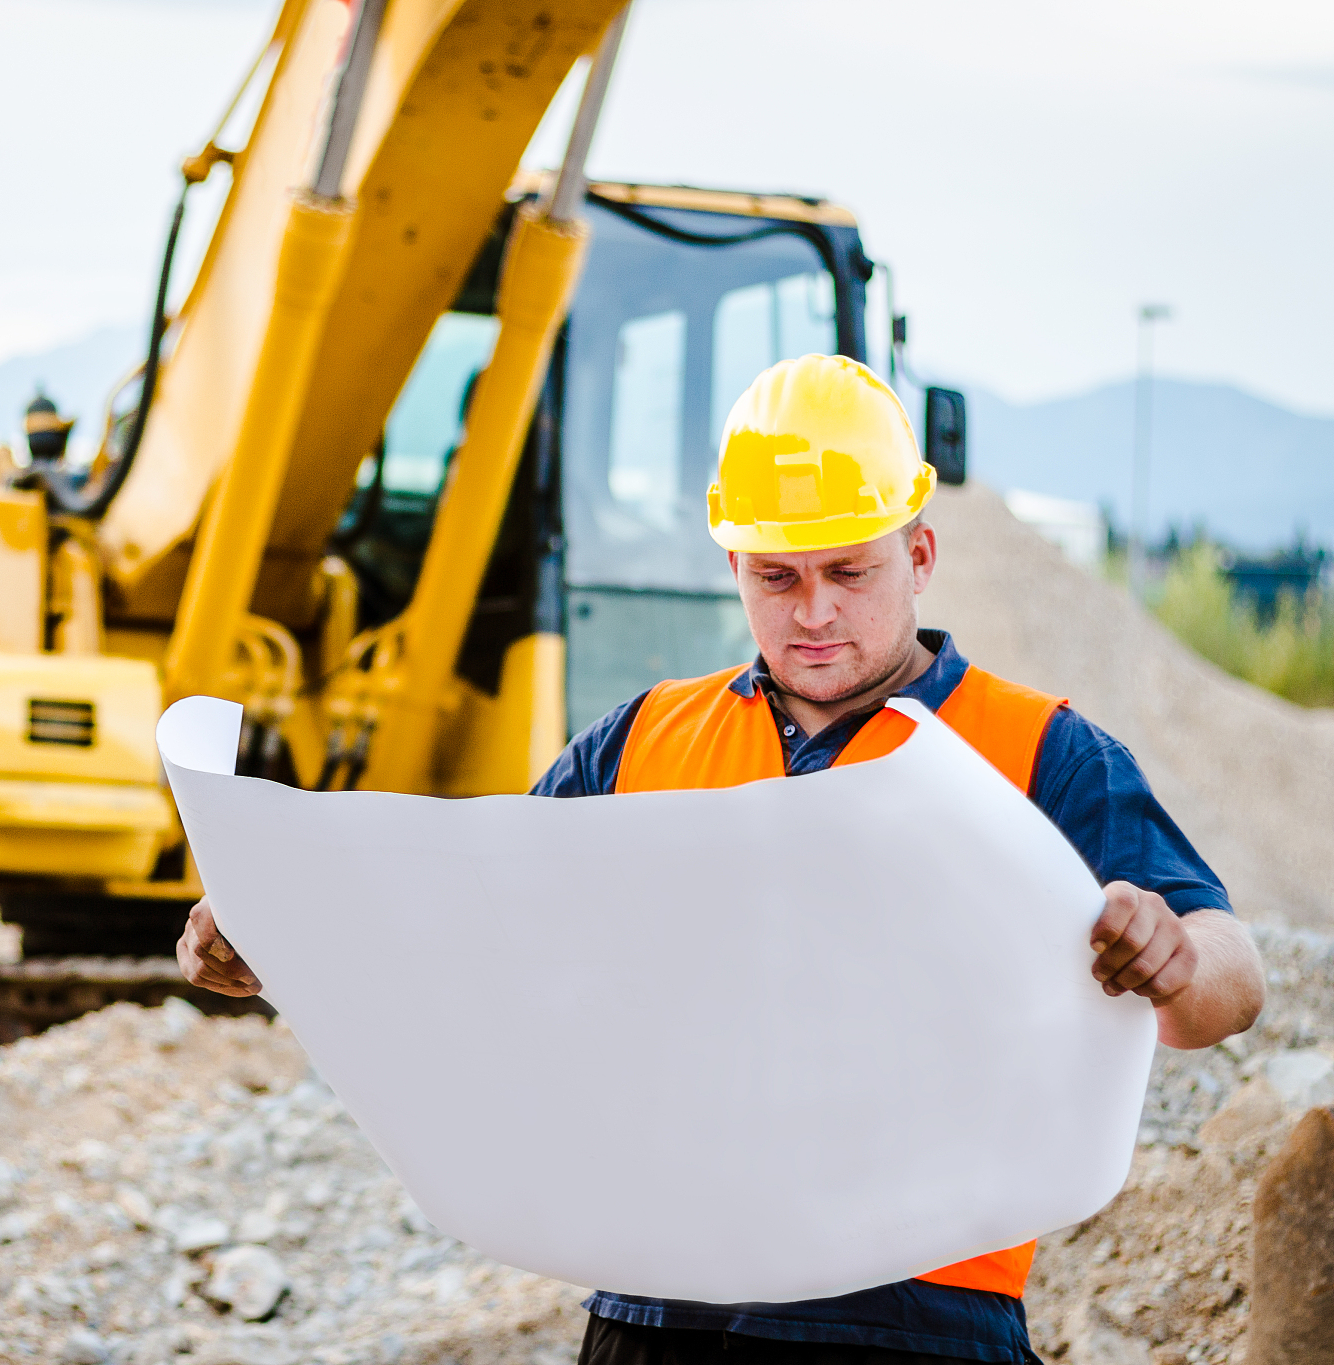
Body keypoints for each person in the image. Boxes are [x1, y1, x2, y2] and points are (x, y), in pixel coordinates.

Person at [175, 353, 1266, 1365]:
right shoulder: (640, 740)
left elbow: (1229, 985)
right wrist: (282, 927)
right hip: (657, 1304)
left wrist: (1171, 956)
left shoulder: (1041, 751)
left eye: (848, 570)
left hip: (915, 1313)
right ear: (732, 565)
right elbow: (475, 927)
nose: (815, 612)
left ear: (918, 554)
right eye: (775, 577)